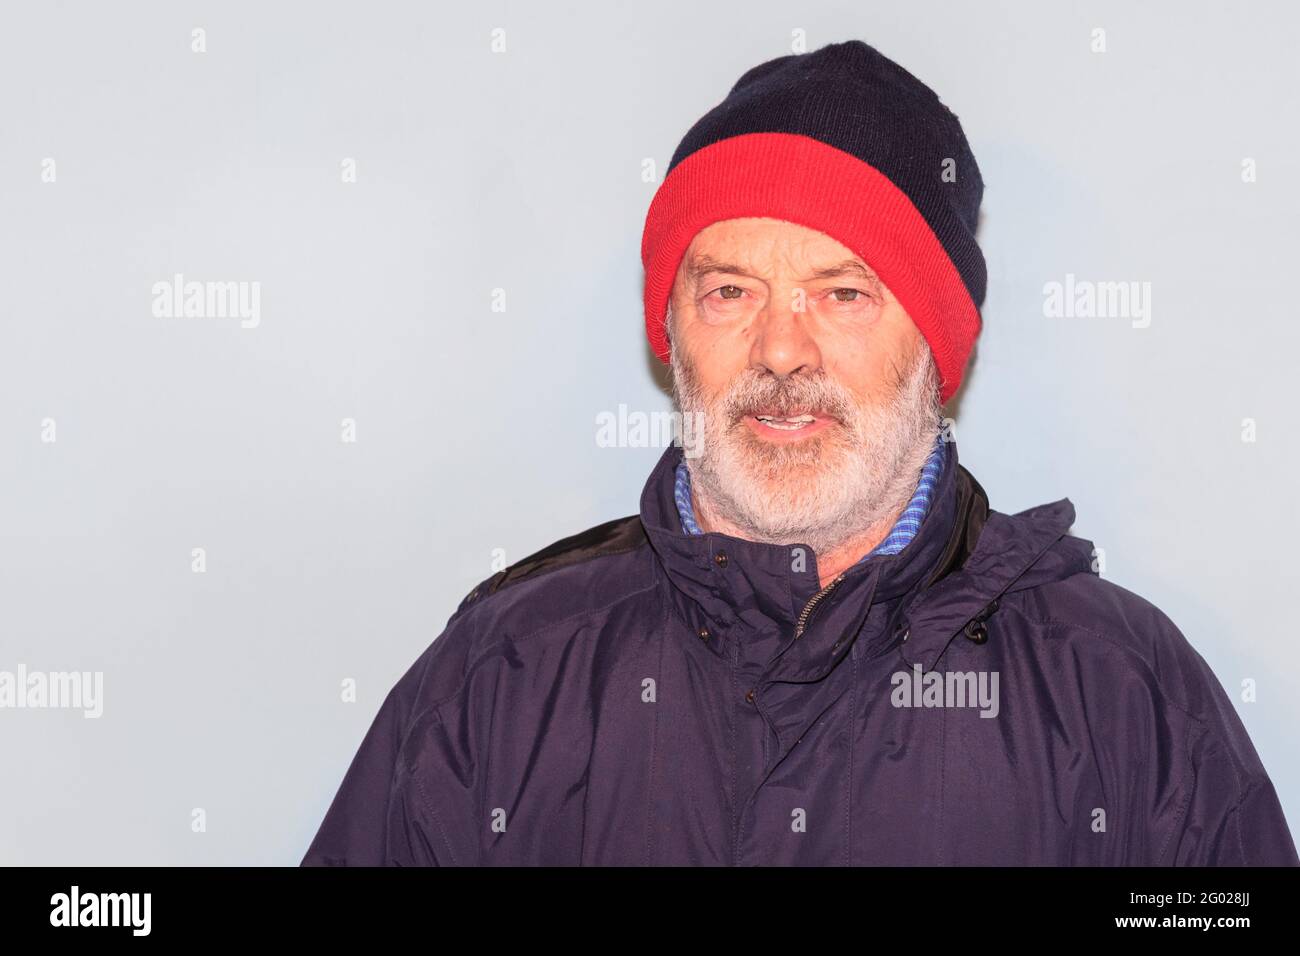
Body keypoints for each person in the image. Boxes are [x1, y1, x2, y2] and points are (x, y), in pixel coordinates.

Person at [301, 39, 1297, 866]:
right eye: (730, 290)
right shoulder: (503, 673)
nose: (780, 350)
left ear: (938, 349)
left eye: (843, 291)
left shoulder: (1122, 694)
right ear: (673, 331)